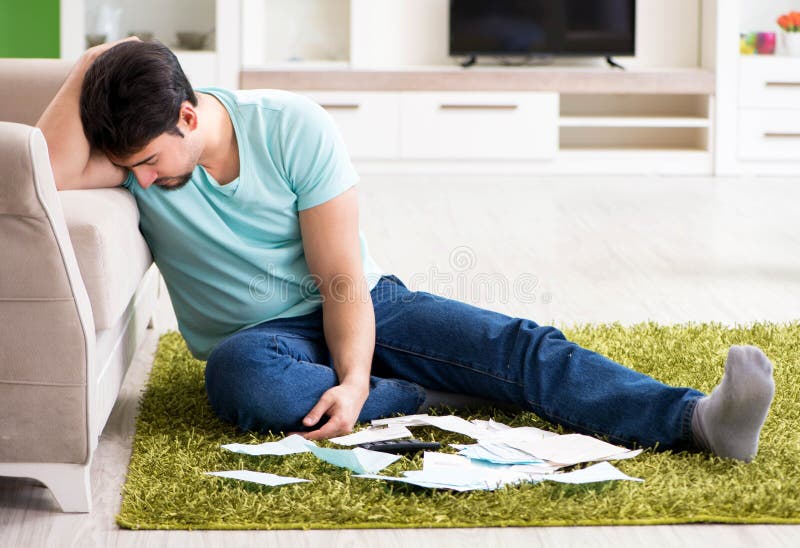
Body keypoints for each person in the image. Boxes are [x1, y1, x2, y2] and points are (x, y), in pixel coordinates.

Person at [37, 39, 775, 462]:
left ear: (188, 115)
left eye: (145, 162)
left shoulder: (293, 127)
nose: (138, 180)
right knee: (241, 384)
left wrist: (353, 382)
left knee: (516, 346)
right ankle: (427, 396)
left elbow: (340, 277)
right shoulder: (137, 158)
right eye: (127, 167)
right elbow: (33, 169)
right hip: (257, 344)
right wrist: (95, 62)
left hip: (363, 304)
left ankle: (696, 420)